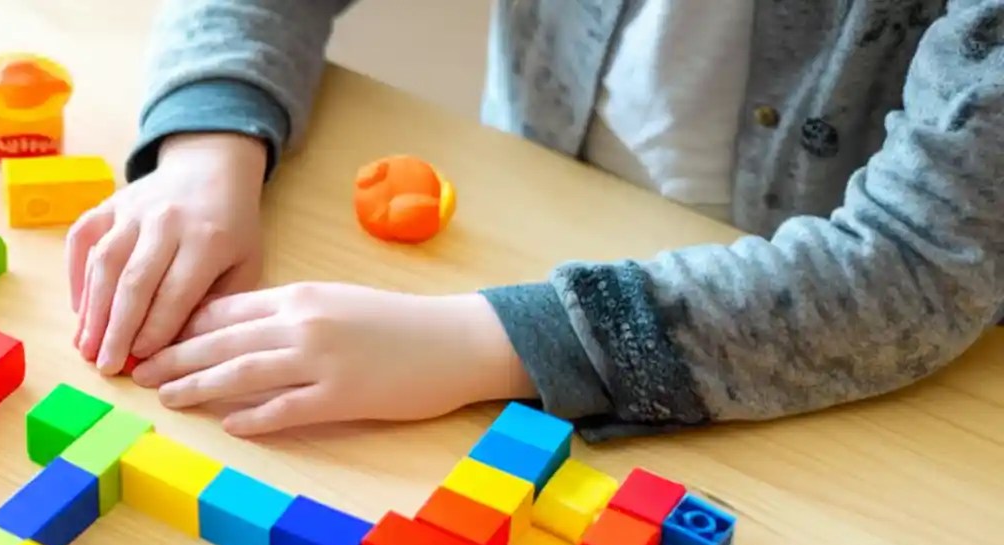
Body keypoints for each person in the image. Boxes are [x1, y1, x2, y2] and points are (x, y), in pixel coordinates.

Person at [65, 0, 1003, 442]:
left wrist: (495, 340)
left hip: (829, 353)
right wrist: (209, 136)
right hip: (529, 211)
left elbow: (923, 260)